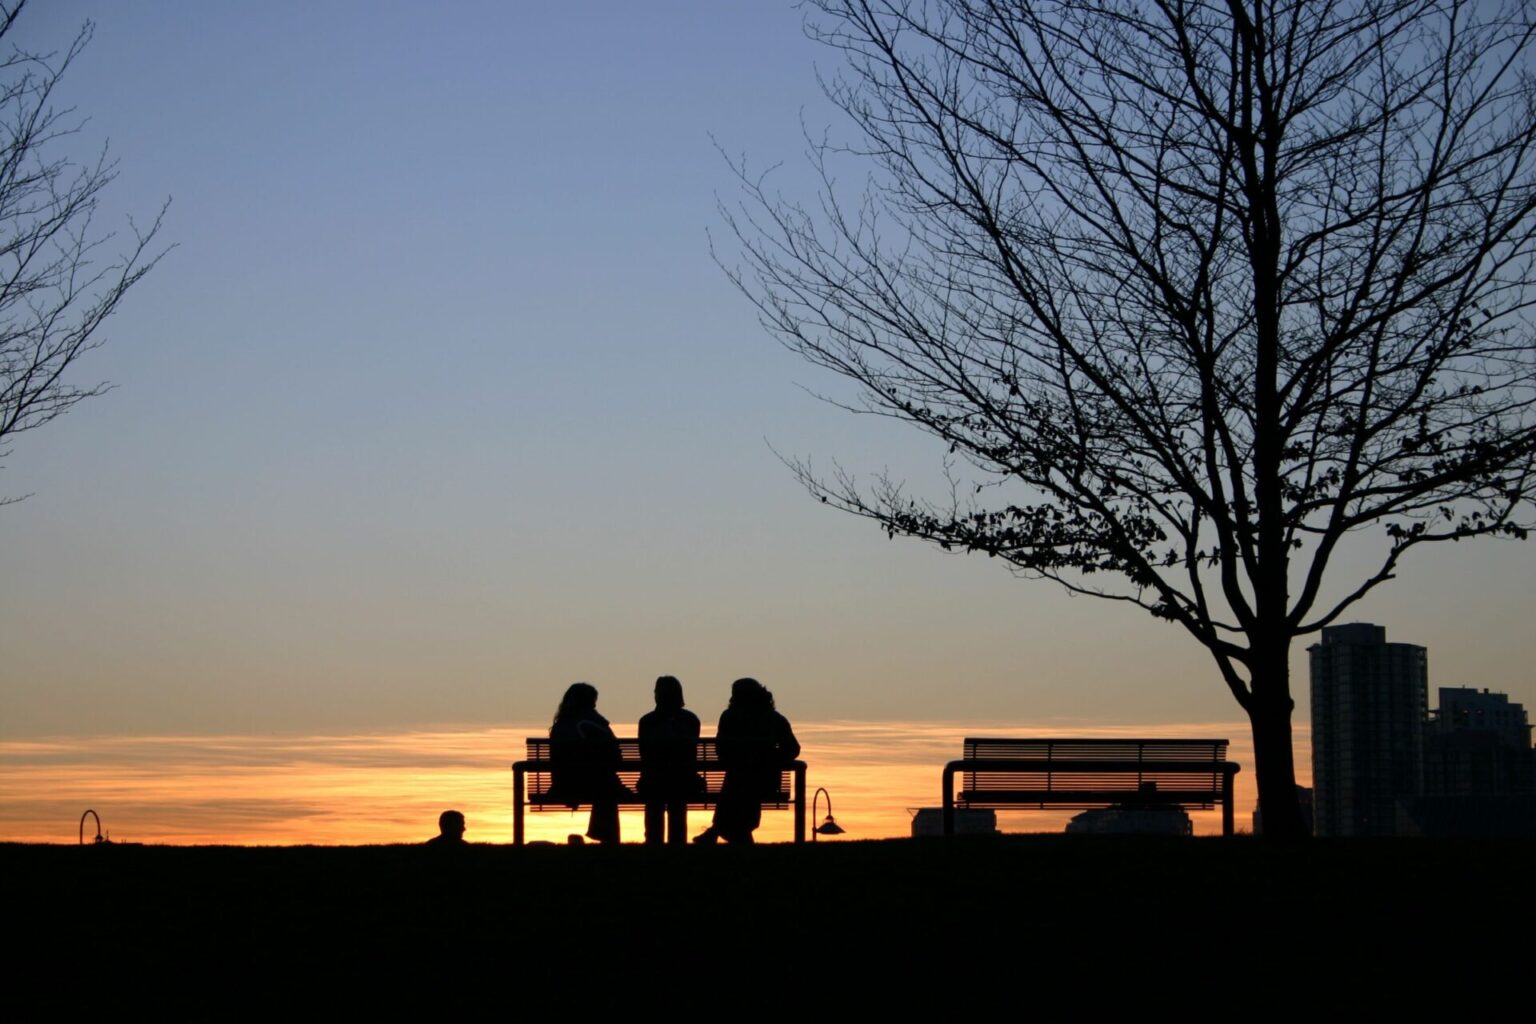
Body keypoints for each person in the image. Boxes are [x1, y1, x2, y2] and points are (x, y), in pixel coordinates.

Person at [695, 678, 800, 845]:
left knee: (740, 781)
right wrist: (771, 757)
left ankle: (715, 830)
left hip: (739, 781)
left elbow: (721, 750)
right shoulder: (774, 718)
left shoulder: (730, 717)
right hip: (765, 781)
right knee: (742, 789)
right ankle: (718, 833)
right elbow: (793, 749)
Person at [548, 682, 625, 844]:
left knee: (605, 784)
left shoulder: (560, 726)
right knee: (607, 786)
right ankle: (608, 838)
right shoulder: (592, 723)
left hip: (565, 785)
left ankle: (603, 835)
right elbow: (616, 755)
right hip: (591, 784)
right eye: (593, 701)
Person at [638, 675, 702, 846]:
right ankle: (677, 843)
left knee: (654, 803)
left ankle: (653, 841)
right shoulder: (690, 719)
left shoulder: (647, 721)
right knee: (678, 806)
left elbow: (644, 753)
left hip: (653, 780)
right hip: (684, 779)